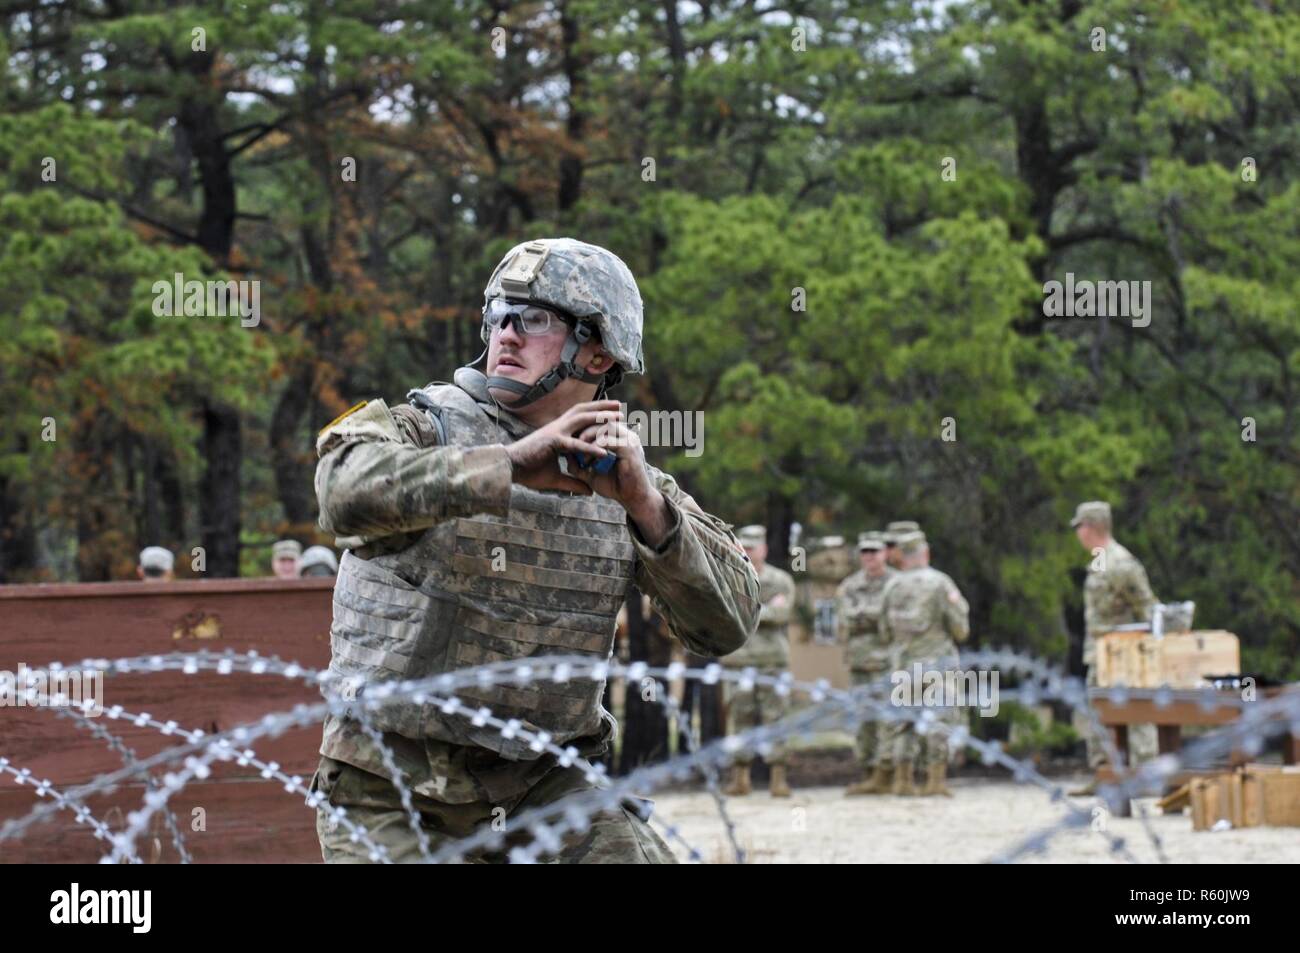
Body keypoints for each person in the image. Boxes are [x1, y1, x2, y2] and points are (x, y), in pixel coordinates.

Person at [309, 237, 759, 863]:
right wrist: (509, 467)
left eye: (535, 319)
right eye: (498, 314)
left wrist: (648, 511)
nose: (508, 334)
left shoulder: (625, 480)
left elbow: (728, 626)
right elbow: (339, 490)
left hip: (543, 786)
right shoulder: (424, 427)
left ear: (598, 351)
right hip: (391, 789)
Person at [1069, 500, 1158, 792]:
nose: (1077, 533)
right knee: (1098, 711)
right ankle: (1105, 774)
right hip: (1099, 652)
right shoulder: (1099, 561)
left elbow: (1147, 608)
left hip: (1124, 654)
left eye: (1080, 526)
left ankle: (1144, 773)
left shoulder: (1121, 563)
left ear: (1092, 527)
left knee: (1133, 711)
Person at [877, 532, 969, 796]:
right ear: (925, 553)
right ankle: (935, 780)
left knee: (903, 722)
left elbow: (883, 630)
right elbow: (961, 628)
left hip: (903, 665)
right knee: (939, 719)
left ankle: (903, 780)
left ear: (901, 556)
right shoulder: (941, 583)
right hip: (936, 664)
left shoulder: (891, 586)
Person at [720, 524, 797, 798]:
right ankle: (741, 779)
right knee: (739, 717)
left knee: (776, 717)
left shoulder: (781, 580)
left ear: (764, 549)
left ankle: (779, 778)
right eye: (745, 546)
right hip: (738, 659)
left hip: (772, 661)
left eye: (754, 547)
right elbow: (726, 612)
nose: (749, 552)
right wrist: (764, 609)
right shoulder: (728, 577)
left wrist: (749, 610)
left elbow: (782, 614)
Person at [837, 531, 896, 795]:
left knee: (889, 719)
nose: (870, 557)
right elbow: (846, 618)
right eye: (865, 552)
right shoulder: (849, 586)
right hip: (860, 663)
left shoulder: (896, 583)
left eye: (875, 551)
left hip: (889, 663)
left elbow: (894, 620)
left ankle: (888, 773)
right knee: (863, 721)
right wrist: (875, 615)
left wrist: (865, 615)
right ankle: (869, 773)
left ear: (885, 552)